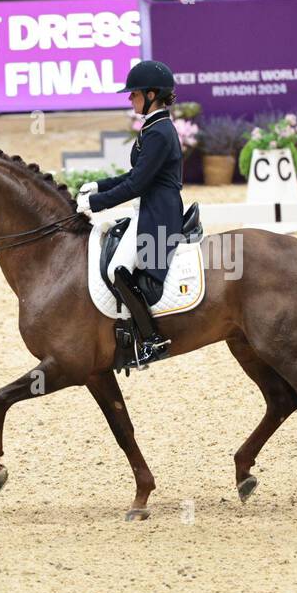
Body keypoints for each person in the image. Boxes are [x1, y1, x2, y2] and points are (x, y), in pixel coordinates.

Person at [76, 60, 184, 367]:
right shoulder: (153, 127)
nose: (129, 98)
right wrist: (99, 185)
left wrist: (96, 204)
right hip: (149, 206)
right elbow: (134, 174)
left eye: (134, 93)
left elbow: (138, 183)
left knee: (118, 270)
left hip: (160, 212)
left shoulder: (160, 132)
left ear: (152, 94)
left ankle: (152, 340)